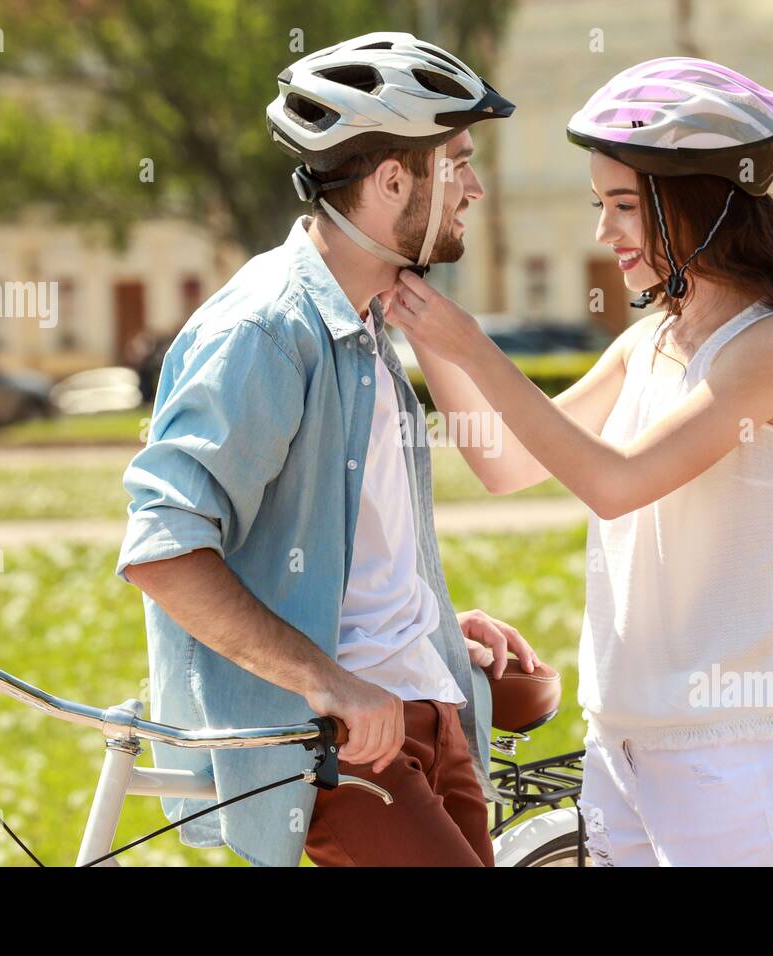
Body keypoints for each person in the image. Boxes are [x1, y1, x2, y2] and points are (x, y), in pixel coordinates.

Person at [383, 58, 773, 866]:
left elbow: (614, 483)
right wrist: (423, 330)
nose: (604, 233)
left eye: (622, 207)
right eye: (599, 206)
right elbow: (504, 462)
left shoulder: (771, 346)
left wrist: (468, 340)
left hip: (733, 755)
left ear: (697, 205)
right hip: (622, 746)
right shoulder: (650, 339)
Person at [115, 32, 539, 867]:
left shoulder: (373, 321)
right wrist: (330, 681)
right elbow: (163, 550)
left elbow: (344, 544)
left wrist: (431, 621)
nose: (476, 188)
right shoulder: (269, 332)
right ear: (392, 181)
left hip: (428, 709)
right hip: (340, 746)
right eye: (457, 162)